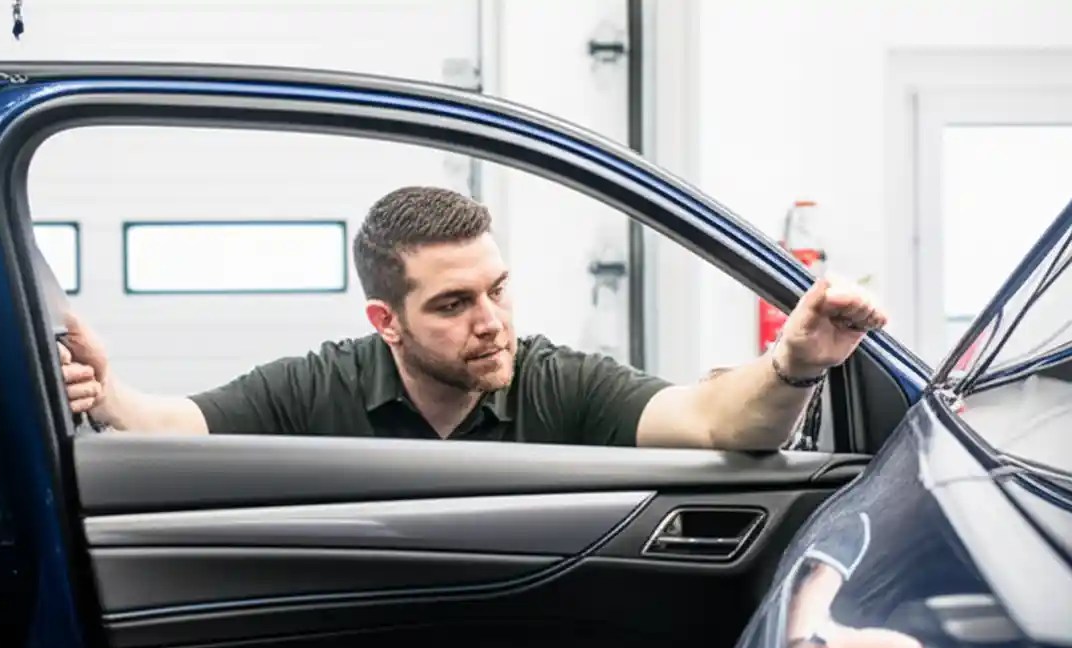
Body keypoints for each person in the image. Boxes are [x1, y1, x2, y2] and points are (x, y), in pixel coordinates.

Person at [58, 186, 887, 450]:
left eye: (497, 288)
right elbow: (180, 429)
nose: (491, 321)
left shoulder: (557, 380)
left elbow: (711, 421)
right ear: (387, 319)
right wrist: (103, 390)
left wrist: (798, 362)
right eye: (453, 304)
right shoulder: (319, 383)